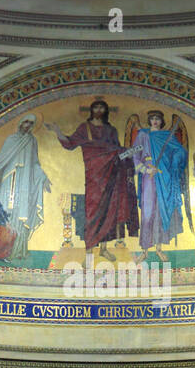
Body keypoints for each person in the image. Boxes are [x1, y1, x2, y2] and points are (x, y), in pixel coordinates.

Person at [44, 100, 139, 260]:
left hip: (111, 175)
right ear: (92, 110)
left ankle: (103, 249)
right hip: (94, 176)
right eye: (96, 107)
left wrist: (128, 153)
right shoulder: (84, 128)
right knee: (92, 213)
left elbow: (117, 151)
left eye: (102, 107)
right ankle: (88, 253)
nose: (99, 110)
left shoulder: (111, 130)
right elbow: (70, 143)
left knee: (109, 211)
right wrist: (57, 131)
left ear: (106, 110)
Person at [123, 110, 188, 261]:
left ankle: (159, 249)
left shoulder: (167, 136)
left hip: (164, 176)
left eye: (157, 119)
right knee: (147, 213)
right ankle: (145, 250)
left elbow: (180, 151)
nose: (155, 121)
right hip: (148, 177)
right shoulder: (143, 135)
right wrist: (145, 169)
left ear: (161, 121)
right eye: (152, 118)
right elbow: (133, 154)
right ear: (149, 120)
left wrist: (174, 160)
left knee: (160, 212)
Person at [0, 116, 52, 261]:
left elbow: (35, 163)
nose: (28, 125)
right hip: (10, 181)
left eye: (31, 123)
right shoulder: (11, 140)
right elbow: (1, 160)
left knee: (22, 214)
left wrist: (43, 178)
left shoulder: (32, 141)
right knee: (6, 212)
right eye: (26, 122)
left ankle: (17, 251)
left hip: (25, 183)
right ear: (20, 123)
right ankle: (1, 251)